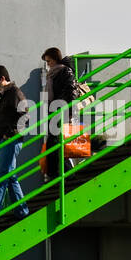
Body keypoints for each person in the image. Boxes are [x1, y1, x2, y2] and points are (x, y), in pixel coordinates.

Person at [0, 65, 30, 218]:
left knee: (2, 174)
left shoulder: (14, 94)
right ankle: (22, 210)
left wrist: (9, 134)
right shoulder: (7, 94)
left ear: (2, 79)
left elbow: (25, 116)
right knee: (10, 176)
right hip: (8, 139)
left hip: (11, 140)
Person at [41, 47, 76, 182]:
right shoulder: (53, 73)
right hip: (54, 111)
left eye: (49, 60)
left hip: (61, 111)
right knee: (55, 144)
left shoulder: (64, 71)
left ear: (55, 59)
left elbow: (70, 91)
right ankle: (58, 174)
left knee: (55, 143)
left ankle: (63, 174)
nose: (48, 63)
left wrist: (59, 106)